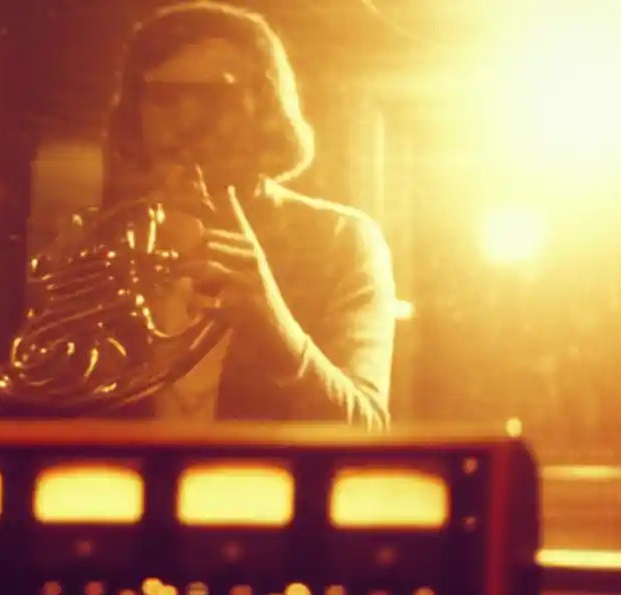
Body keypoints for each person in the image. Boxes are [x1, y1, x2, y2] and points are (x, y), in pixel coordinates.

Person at [95, 0, 397, 428]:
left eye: (217, 97)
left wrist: (271, 322)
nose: (189, 120)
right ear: (137, 114)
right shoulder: (99, 244)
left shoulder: (339, 240)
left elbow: (365, 428)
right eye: (165, 97)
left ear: (267, 112)